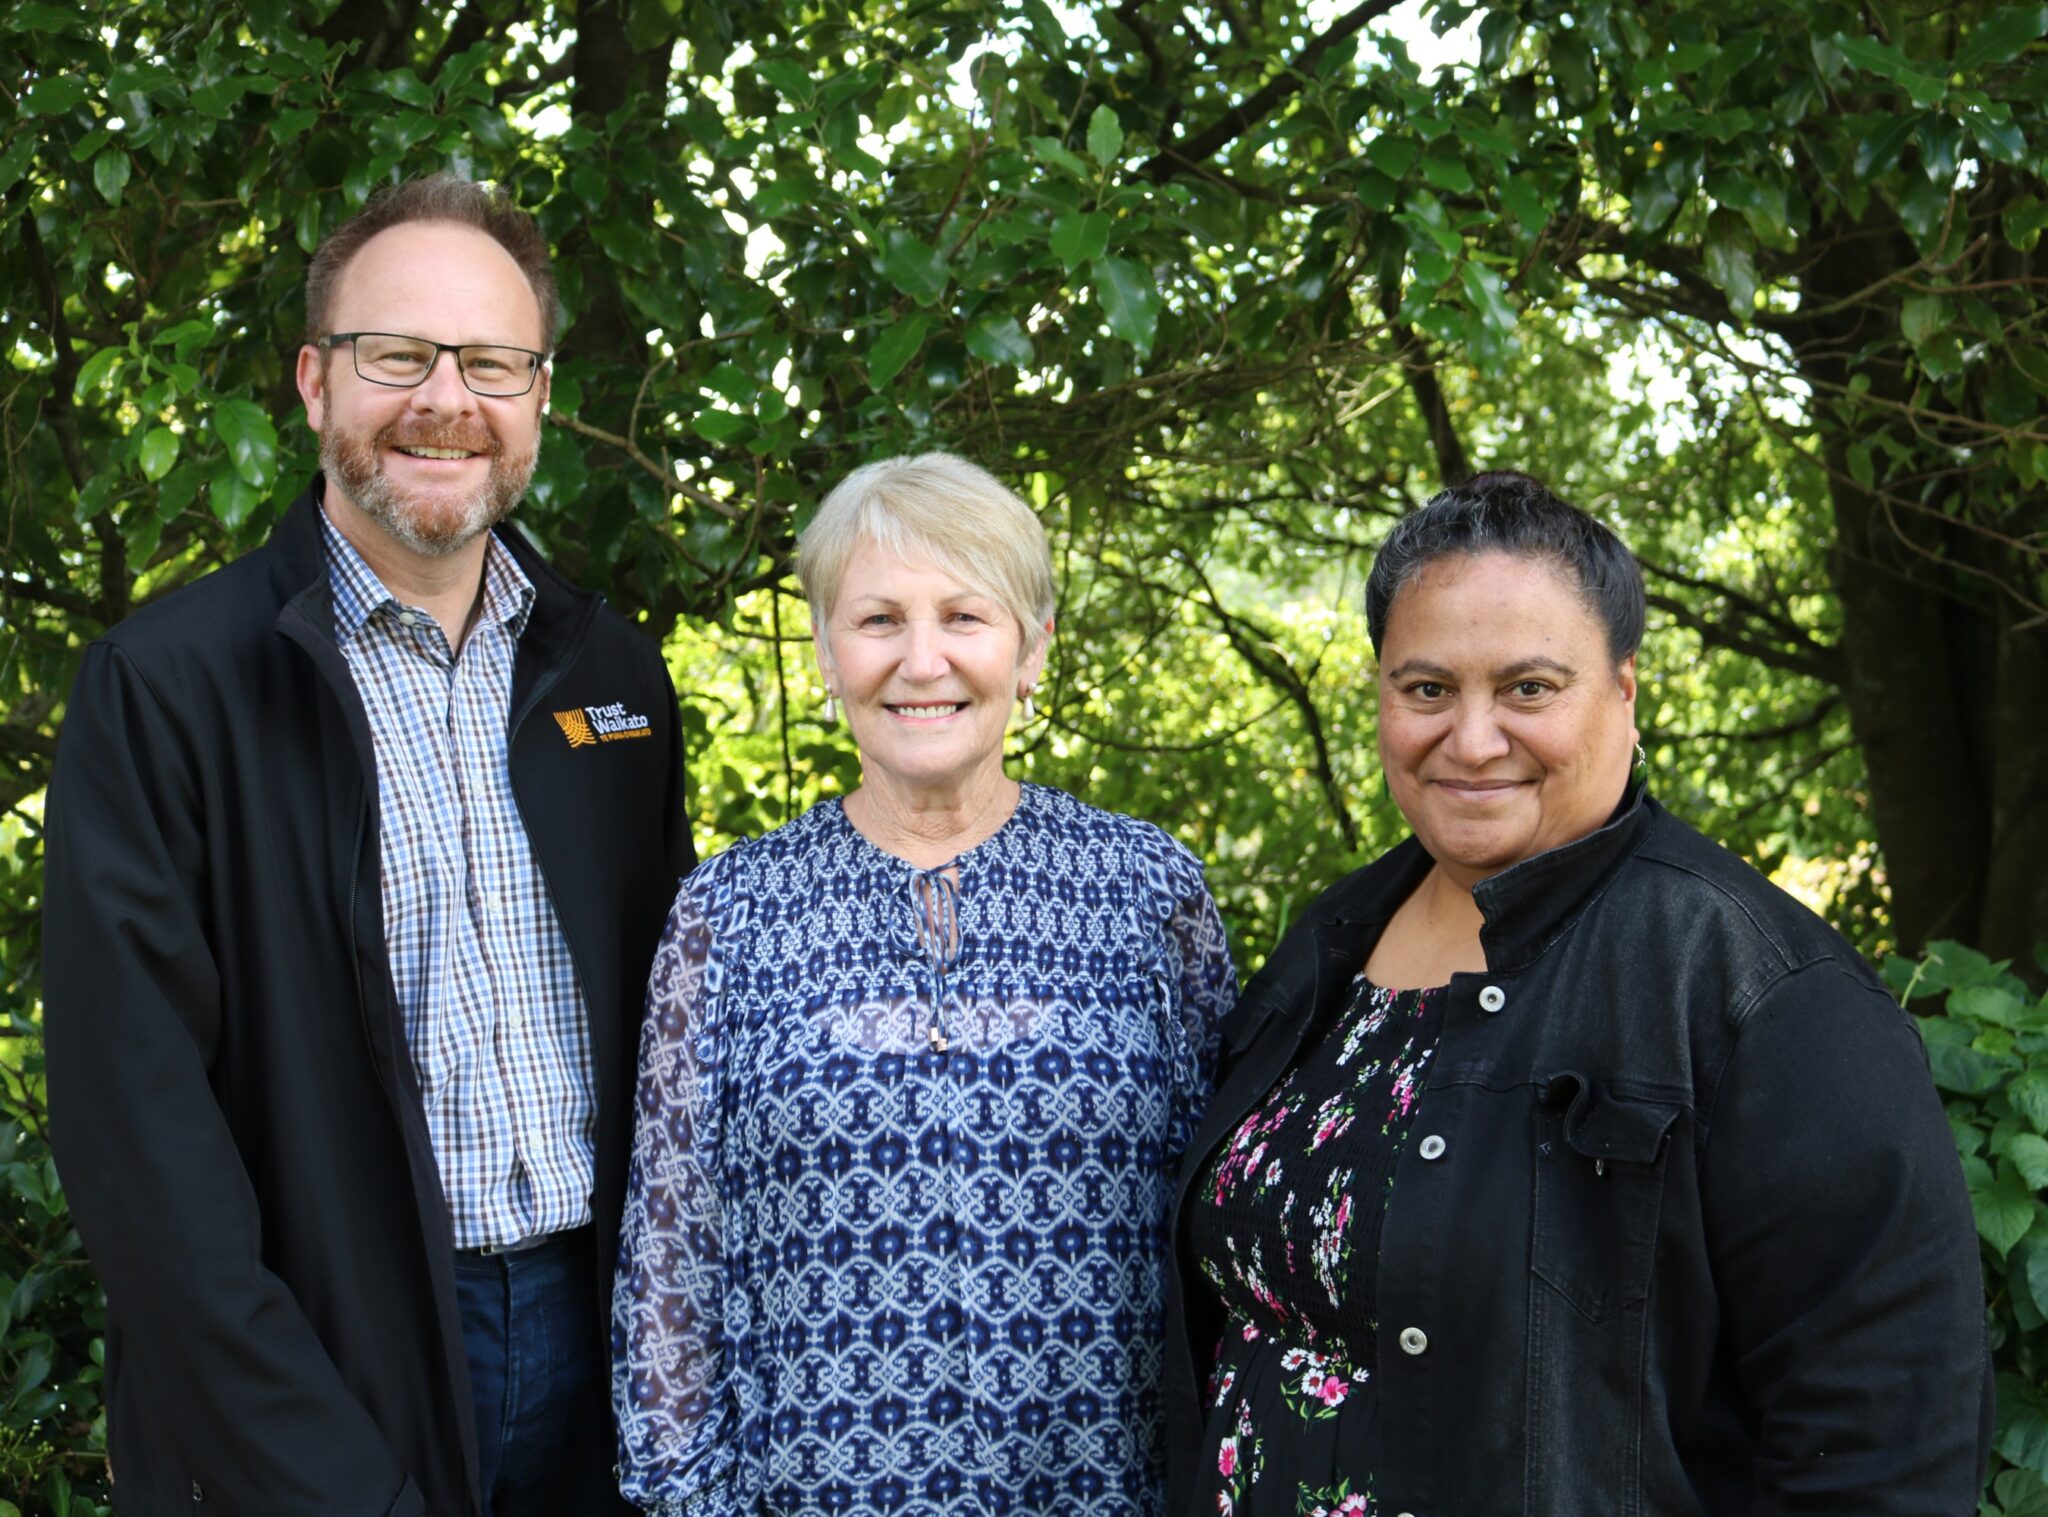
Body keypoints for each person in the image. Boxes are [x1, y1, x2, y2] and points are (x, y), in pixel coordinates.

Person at [42, 175, 693, 1515]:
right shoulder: (168, 688)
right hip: (332, 1369)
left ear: (538, 395)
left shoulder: (609, 678)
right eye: (398, 354)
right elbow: (141, 1147)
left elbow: (679, 1044)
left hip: (610, 1352)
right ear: (314, 382)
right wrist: (319, 1477)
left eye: (492, 360)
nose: (446, 399)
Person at [1162, 472, 1991, 1517]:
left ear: (1624, 687)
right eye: (1425, 688)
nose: (1469, 739)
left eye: (1527, 687)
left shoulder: (1764, 993)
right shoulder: (1329, 944)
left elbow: (1884, 1444)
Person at [612, 451, 1237, 1515]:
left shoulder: (1146, 891)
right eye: (876, 620)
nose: (921, 659)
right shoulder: (728, 911)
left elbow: (1222, 1225)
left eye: (963, 615)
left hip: (1100, 1490)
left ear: (1032, 648)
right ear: (821, 651)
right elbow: (670, 1256)